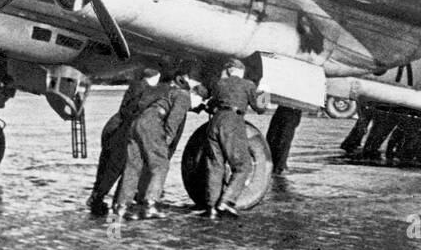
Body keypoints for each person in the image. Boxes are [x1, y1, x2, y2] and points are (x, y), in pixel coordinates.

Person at [114, 65, 203, 220]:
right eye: (199, 101)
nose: (196, 106)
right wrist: (165, 142)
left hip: (137, 124)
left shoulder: (167, 91)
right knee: (161, 164)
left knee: (133, 165)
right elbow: (173, 122)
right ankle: (150, 205)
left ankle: (122, 207)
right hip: (152, 123)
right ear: (195, 94)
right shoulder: (184, 96)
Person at [87, 67, 161, 215]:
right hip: (123, 133)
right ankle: (113, 204)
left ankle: (97, 198)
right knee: (117, 167)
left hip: (115, 129)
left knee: (106, 166)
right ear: (155, 78)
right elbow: (133, 110)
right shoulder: (144, 90)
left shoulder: (135, 86)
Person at [203, 58, 267, 217]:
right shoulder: (248, 85)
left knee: (215, 165)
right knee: (243, 166)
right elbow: (260, 108)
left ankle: (211, 207)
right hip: (233, 122)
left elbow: (210, 104)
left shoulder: (219, 83)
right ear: (241, 71)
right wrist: (265, 92)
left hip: (215, 122)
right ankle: (226, 202)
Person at [265, 105, 302, 175]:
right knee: (271, 139)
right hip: (283, 109)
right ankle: (277, 169)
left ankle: (279, 169)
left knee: (282, 142)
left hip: (292, 111)